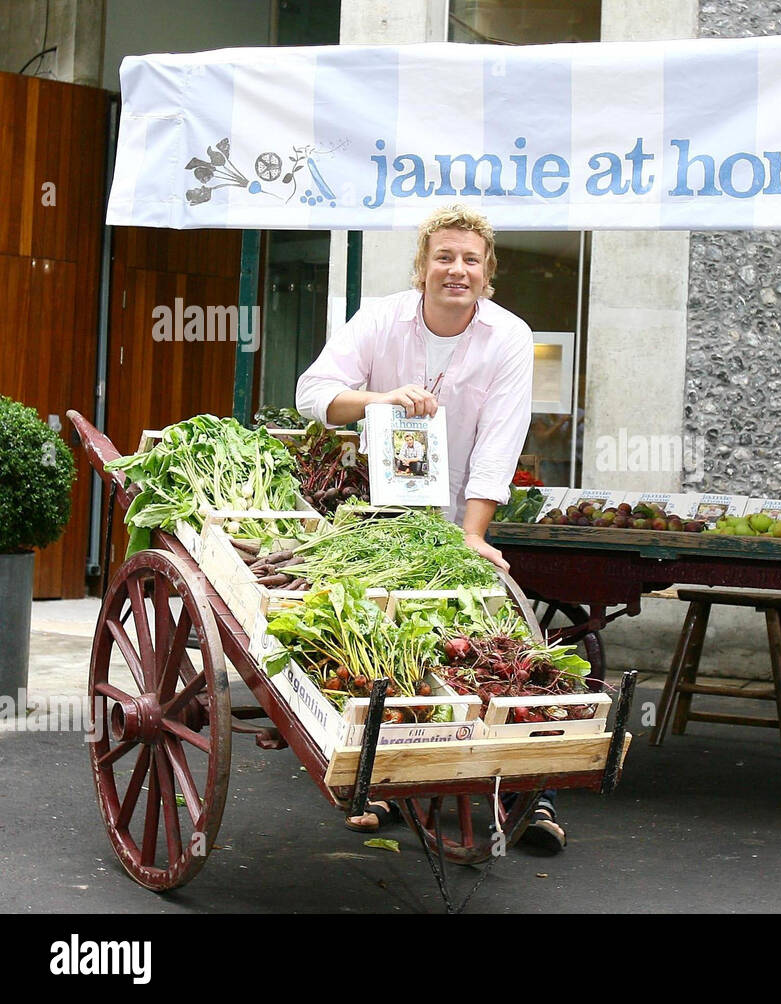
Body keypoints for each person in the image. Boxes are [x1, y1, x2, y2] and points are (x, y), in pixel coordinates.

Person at [295, 204, 565, 852]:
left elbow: (500, 443)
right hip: (383, 518)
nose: (457, 270)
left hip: (455, 517)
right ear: (422, 266)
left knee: (484, 642)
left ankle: (531, 792)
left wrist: (473, 534)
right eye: (444, 257)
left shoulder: (507, 337)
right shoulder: (382, 319)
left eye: (471, 259)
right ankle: (380, 783)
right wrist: (379, 399)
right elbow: (313, 393)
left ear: (487, 273)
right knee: (393, 646)